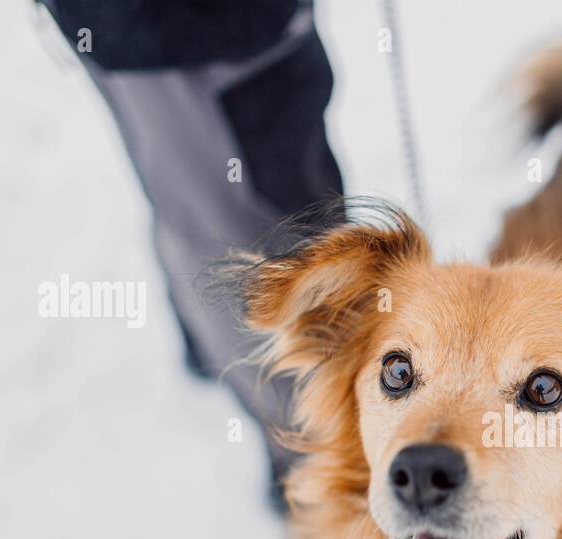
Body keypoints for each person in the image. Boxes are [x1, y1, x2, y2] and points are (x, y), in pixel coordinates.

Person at [39, 0, 345, 510]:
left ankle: (218, 354)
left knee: (201, 200)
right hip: (193, 33)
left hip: (162, 33)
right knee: (256, 243)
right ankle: (317, 451)